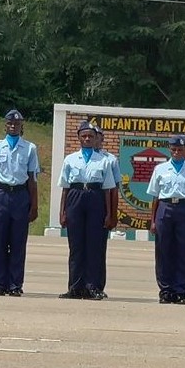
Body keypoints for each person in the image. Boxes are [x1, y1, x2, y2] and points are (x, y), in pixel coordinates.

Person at [0, 110, 40, 296]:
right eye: (10, 123)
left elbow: (32, 179)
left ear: (21, 126)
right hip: (1, 194)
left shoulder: (30, 148)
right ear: (5, 125)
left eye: (17, 124)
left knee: (17, 242)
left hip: (20, 195)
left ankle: (15, 284)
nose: (13, 126)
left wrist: (34, 205)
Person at [57, 122, 116, 300]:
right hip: (75, 197)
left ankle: (92, 286)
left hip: (96, 197)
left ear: (95, 138)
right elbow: (65, 188)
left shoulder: (104, 160)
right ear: (79, 138)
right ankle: (75, 286)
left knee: (94, 245)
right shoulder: (70, 159)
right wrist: (62, 211)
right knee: (76, 246)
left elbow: (108, 189)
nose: (87, 139)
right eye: (84, 136)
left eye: (91, 136)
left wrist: (108, 213)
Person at [148, 135, 185, 304]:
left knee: (183, 252)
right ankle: (166, 290)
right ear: (170, 150)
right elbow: (155, 197)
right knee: (163, 251)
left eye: (180, 150)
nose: (177, 152)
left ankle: (181, 290)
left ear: (184, 151)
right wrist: (152, 221)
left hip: (184, 209)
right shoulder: (160, 169)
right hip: (165, 208)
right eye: (174, 150)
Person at [95, 130, 122, 292]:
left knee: (98, 248)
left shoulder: (110, 160)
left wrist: (112, 213)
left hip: (102, 206)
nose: (95, 140)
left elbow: (114, 188)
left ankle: (97, 285)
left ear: (102, 139)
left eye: (98, 137)